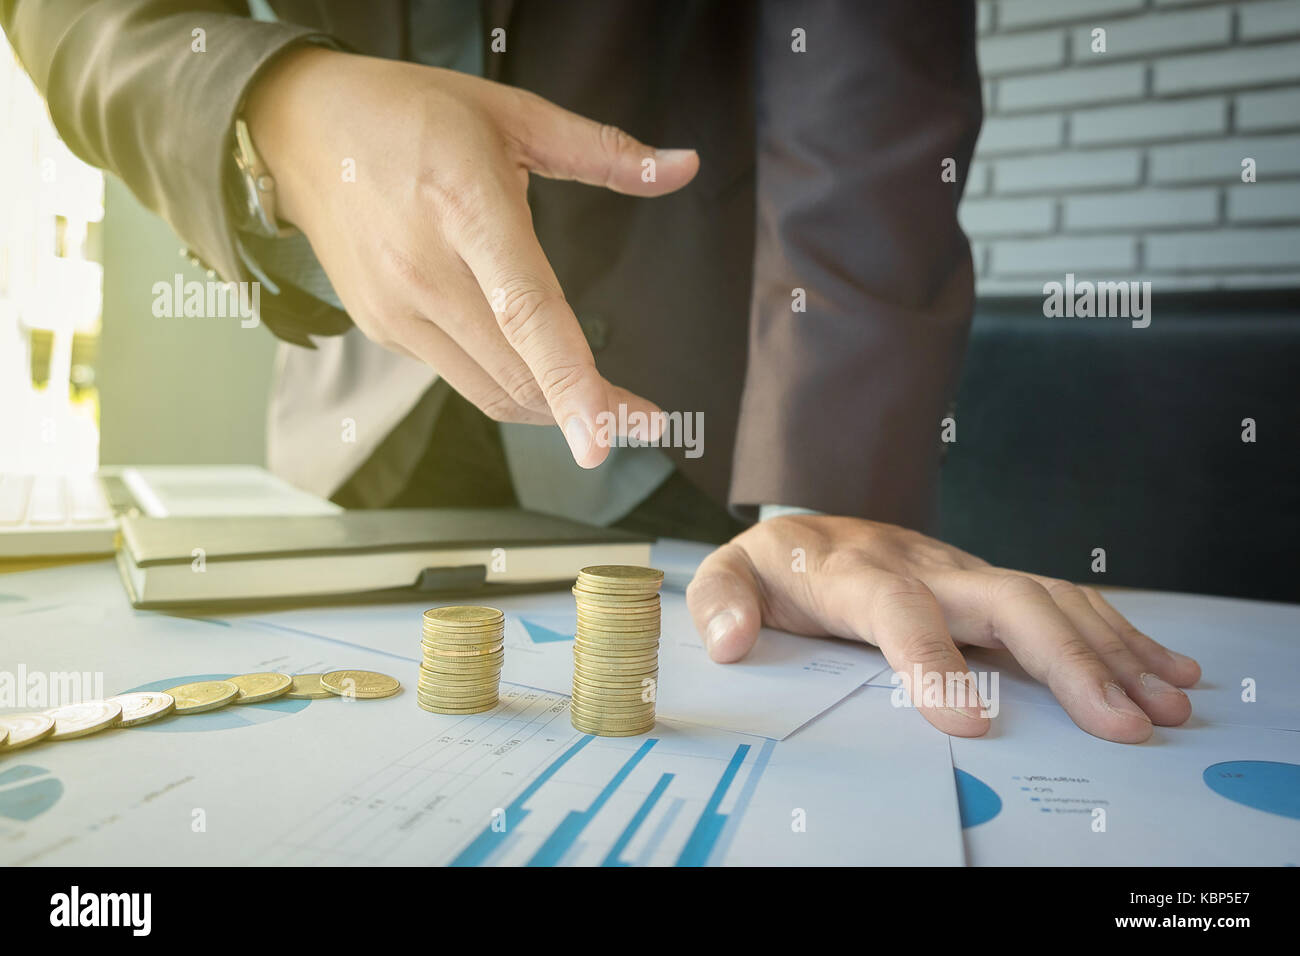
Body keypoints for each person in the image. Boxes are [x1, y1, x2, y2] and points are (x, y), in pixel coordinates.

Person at [2, 0, 1199, 743]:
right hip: (355, 436)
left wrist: (830, 483)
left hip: (702, 454)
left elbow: (861, 53)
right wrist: (272, 102)